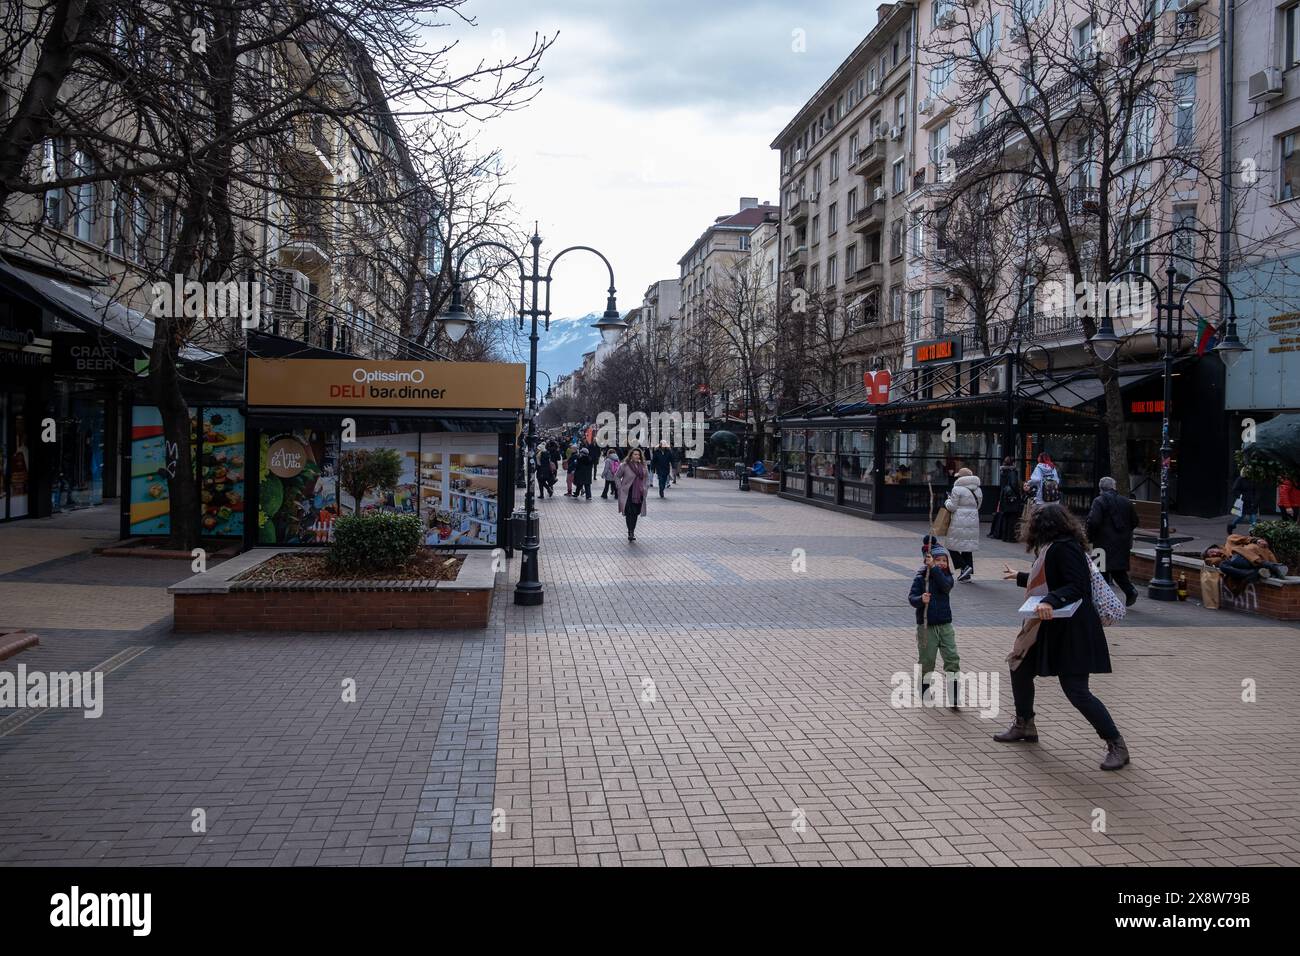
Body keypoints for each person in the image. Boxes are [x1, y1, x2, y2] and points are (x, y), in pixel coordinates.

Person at [997, 503, 1130, 772]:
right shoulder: (1053, 546)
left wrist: (1049, 601)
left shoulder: (1064, 546)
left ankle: (1116, 744)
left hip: (1073, 629)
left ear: (1045, 524)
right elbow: (1054, 578)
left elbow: (1075, 585)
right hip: (1051, 625)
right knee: (1019, 666)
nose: (1029, 526)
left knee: (1077, 691)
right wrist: (1020, 577)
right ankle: (1025, 724)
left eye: (1033, 521)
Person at [909, 536, 960, 709]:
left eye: (944, 560)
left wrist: (935, 569)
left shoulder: (947, 578)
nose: (942, 563)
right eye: (937, 560)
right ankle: (923, 690)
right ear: (928, 560)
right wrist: (920, 599)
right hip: (926, 627)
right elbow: (911, 598)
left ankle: (954, 697)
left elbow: (945, 587)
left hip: (945, 625)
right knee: (927, 660)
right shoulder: (921, 578)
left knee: (952, 659)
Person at [1087, 476, 1139, 607]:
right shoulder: (1126, 502)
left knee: (1099, 572)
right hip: (1121, 543)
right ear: (1114, 487)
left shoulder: (1098, 501)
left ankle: (1102, 600)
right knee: (1118, 570)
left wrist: (1090, 536)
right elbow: (1135, 521)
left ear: (1101, 489)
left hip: (1101, 543)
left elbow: (1093, 521)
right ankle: (1130, 590)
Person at [943, 467, 983, 581]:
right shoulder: (978, 490)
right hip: (973, 520)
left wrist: (947, 501)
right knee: (967, 546)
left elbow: (952, 507)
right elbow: (978, 506)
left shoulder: (957, 489)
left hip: (959, 520)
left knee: (950, 545)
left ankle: (964, 567)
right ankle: (967, 574)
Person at [615, 447, 649, 542]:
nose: (637, 456)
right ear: (631, 455)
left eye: (638, 454)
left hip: (639, 493)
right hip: (628, 493)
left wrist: (645, 488)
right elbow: (617, 476)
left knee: (635, 513)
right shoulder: (625, 466)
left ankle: (632, 530)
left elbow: (646, 479)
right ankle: (630, 532)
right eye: (635, 454)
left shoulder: (643, 466)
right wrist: (619, 487)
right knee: (629, 513)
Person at [1227, 470, 1259, 535]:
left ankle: (1252, 533)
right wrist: (1240, 496)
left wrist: (1256, 500)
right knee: (1241, 517)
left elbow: (1256, 490)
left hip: (1252, 502)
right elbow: (1234, 489)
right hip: (1243, 502)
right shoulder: (1240, 479)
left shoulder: (1253, 479)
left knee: (1253, 518)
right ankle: (1231, 526)